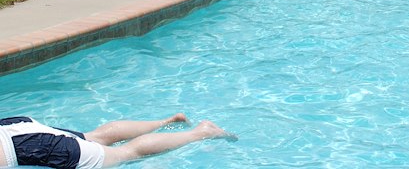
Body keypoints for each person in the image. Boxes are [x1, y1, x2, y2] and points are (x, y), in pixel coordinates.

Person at [0, 114, 235, 169]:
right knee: (94, 137)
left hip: (29, 147)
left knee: (125, 154)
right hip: (16, 127)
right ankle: (168, 121)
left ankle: (201, 132)